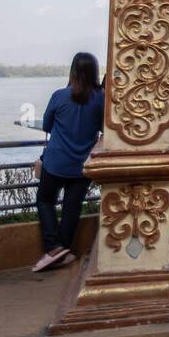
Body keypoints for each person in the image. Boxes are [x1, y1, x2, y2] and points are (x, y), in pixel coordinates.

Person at [32, 53, 104, 273]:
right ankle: (62, 249)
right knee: (71, 208)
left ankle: (54, 247)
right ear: (94, 71)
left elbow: (46, 125)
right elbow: (105, 128)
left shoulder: (59, 96)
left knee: (45, 201)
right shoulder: (101, 98)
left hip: (56, 162)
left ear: (73, 71)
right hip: (83, 165)